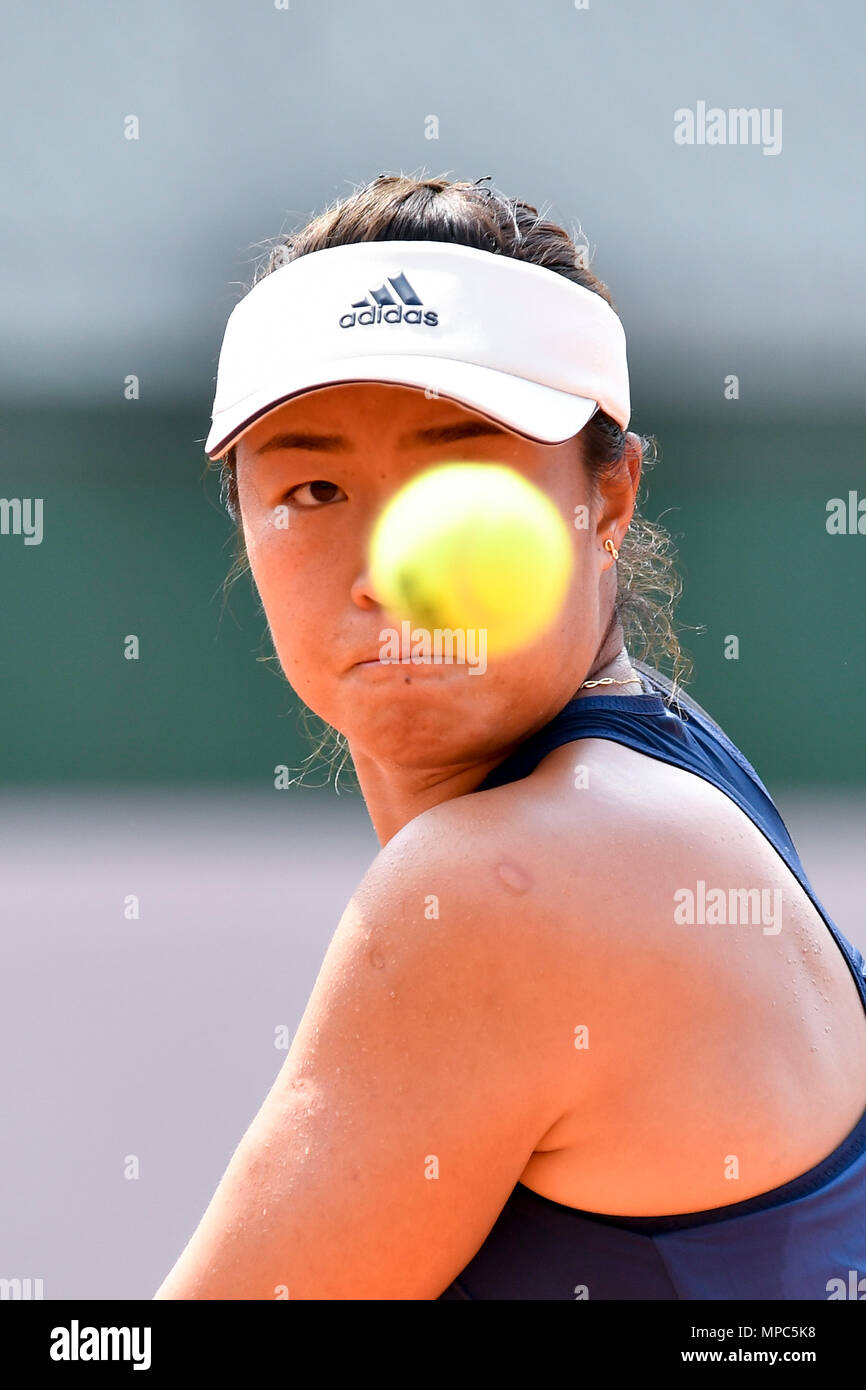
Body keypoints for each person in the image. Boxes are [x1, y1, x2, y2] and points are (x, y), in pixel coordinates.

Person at [154, 174, 866, 1300]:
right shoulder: (666, 769)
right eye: (315, 486)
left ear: (611, 497)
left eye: (459, 480)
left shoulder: (502, 888)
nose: (389, 570)